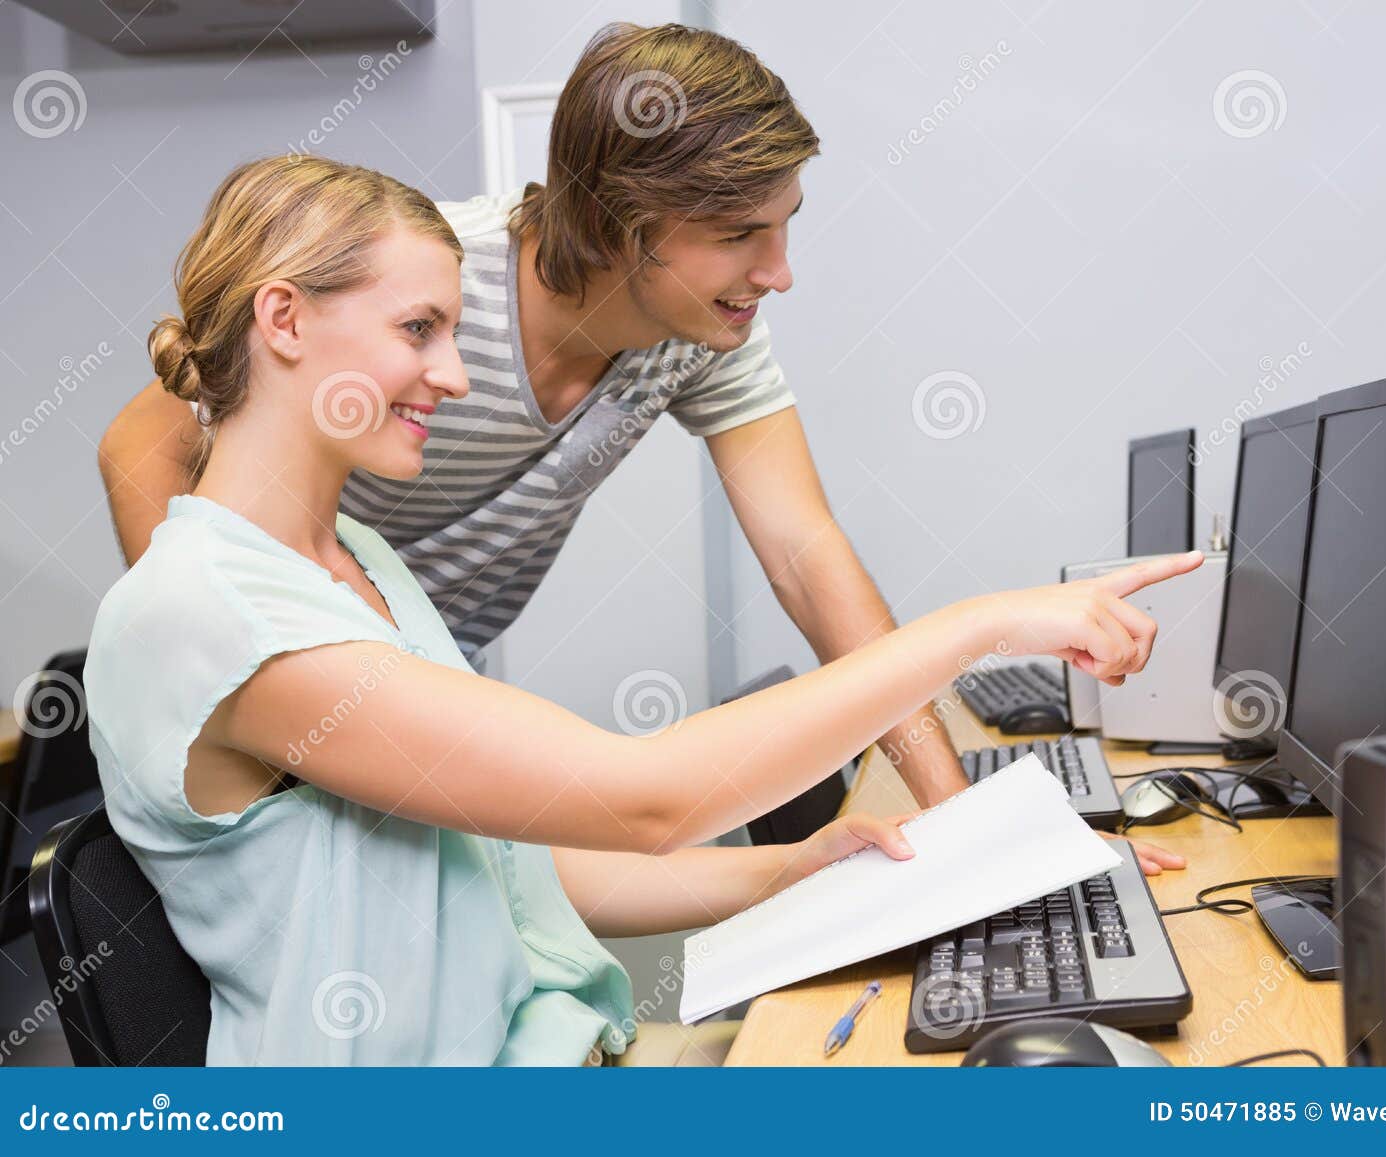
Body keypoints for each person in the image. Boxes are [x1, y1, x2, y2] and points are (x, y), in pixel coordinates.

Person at [85, 155, 1197, 1066]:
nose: (455, 375)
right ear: (283, 319)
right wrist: (979, 624)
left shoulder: (356, 556)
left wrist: (792, 868)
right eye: (418, 329)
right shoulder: (208, 611)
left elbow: (520, 867)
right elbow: (643, 799)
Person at [98, 21, 984, 809]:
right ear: (615, 227)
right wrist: (225, 665)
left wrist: (957, 818)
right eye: (735, 235)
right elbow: (137, 444)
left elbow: (806, 555)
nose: (778, 272)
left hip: (432, 680)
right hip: (298, 686)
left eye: (783, 224)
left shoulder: (703, 333)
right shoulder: (425, 284)